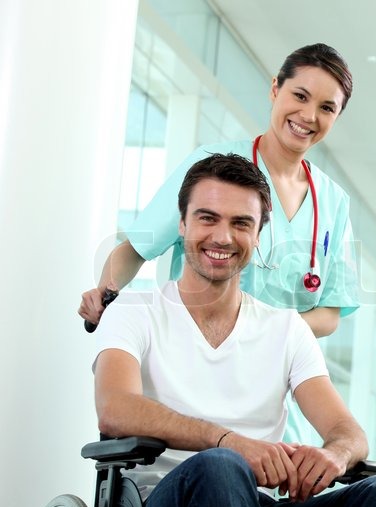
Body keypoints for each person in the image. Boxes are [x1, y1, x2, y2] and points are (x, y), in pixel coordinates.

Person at [92, 153, 376, 507]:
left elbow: (347, 431)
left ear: (257, 235)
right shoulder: (135, 311)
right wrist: (227, 441)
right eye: (207, 218)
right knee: (220, 467)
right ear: (182, 224)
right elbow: (114, 408)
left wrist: (336, 454)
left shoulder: (286, 329)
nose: (223, 237)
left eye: (241, 223)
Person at [79, 43, 359, 337]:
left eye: (327, 108)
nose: (309, 115)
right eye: (300, 96)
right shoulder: (210, 166)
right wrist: (104, 293)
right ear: (275, 89)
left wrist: (265, 330)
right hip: (192, 345)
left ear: (337, 116)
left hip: (277, 361)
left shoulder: (334, 202)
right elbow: (136, 248)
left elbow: (330, 313)